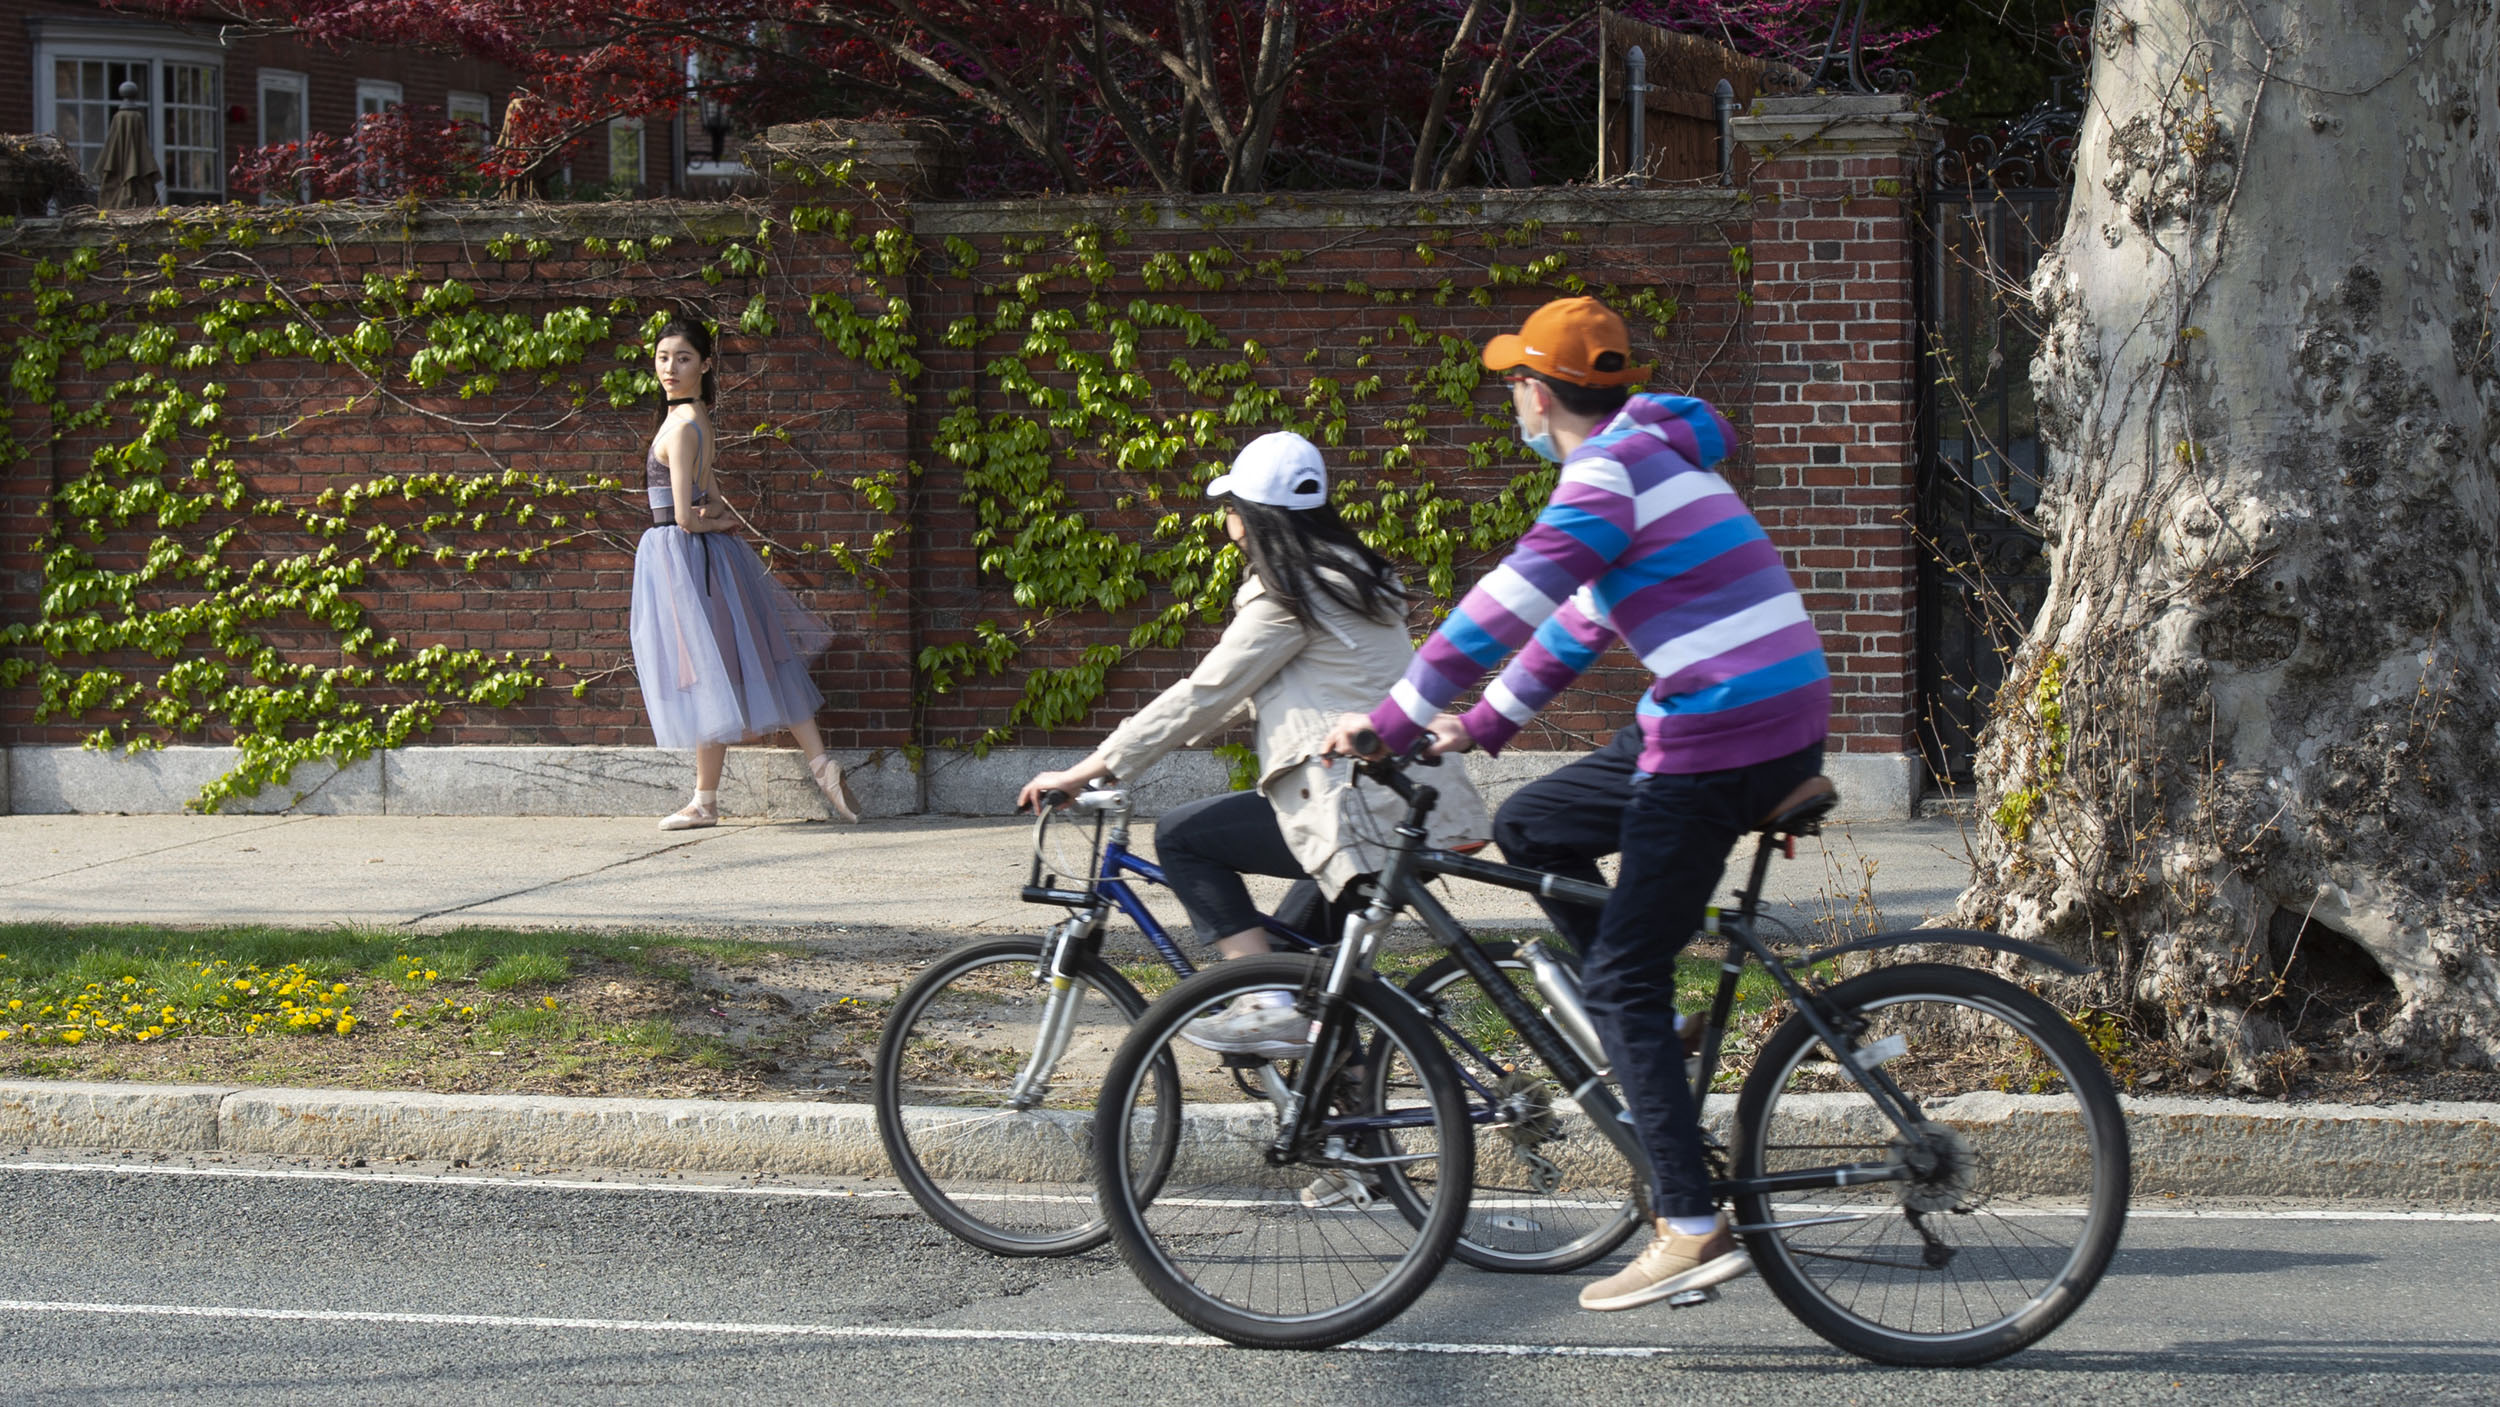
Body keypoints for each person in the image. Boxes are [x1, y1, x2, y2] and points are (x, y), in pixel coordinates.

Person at [1325, 296, 1830, 1313]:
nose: (1511, 399)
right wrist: (1479, 724)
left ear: (1536, 390)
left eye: (1513, 382)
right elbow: (1578, 621)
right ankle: (1653, 1013)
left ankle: (1689, 1221)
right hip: (1756, 711)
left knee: (1622, 982)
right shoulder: (1654, 458)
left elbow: (1509, 599)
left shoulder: (1608, 471)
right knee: (1533, 825)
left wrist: (1393, 718)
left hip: (1722, 729)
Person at [1016, 431, 1491, 1057]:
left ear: (1254, 515)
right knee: (1301, 969)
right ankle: (1345, 1091)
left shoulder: (1292, 595)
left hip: (1359, 812)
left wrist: (1089, 769)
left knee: (1182, 837)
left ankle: (1262, 1004)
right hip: (1411, 803)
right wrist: (1140, 755)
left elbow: (1204, 692)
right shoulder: (1353, 581)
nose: (1227, 521)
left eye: (1231, 507)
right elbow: (1261, 691)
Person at [631, 317, 860, 829]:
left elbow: (687, 516)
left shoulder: (680, 426)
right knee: (748, 660)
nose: (670, 368)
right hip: (709, 558)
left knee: (709, 669)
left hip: (686, 559)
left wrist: (711, 521)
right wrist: (716, 519)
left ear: (704, 365)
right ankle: (814, 767)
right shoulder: (697, 418)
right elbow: (711, 498)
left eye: (683, 358)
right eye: (663, 357)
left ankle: (707, 801)